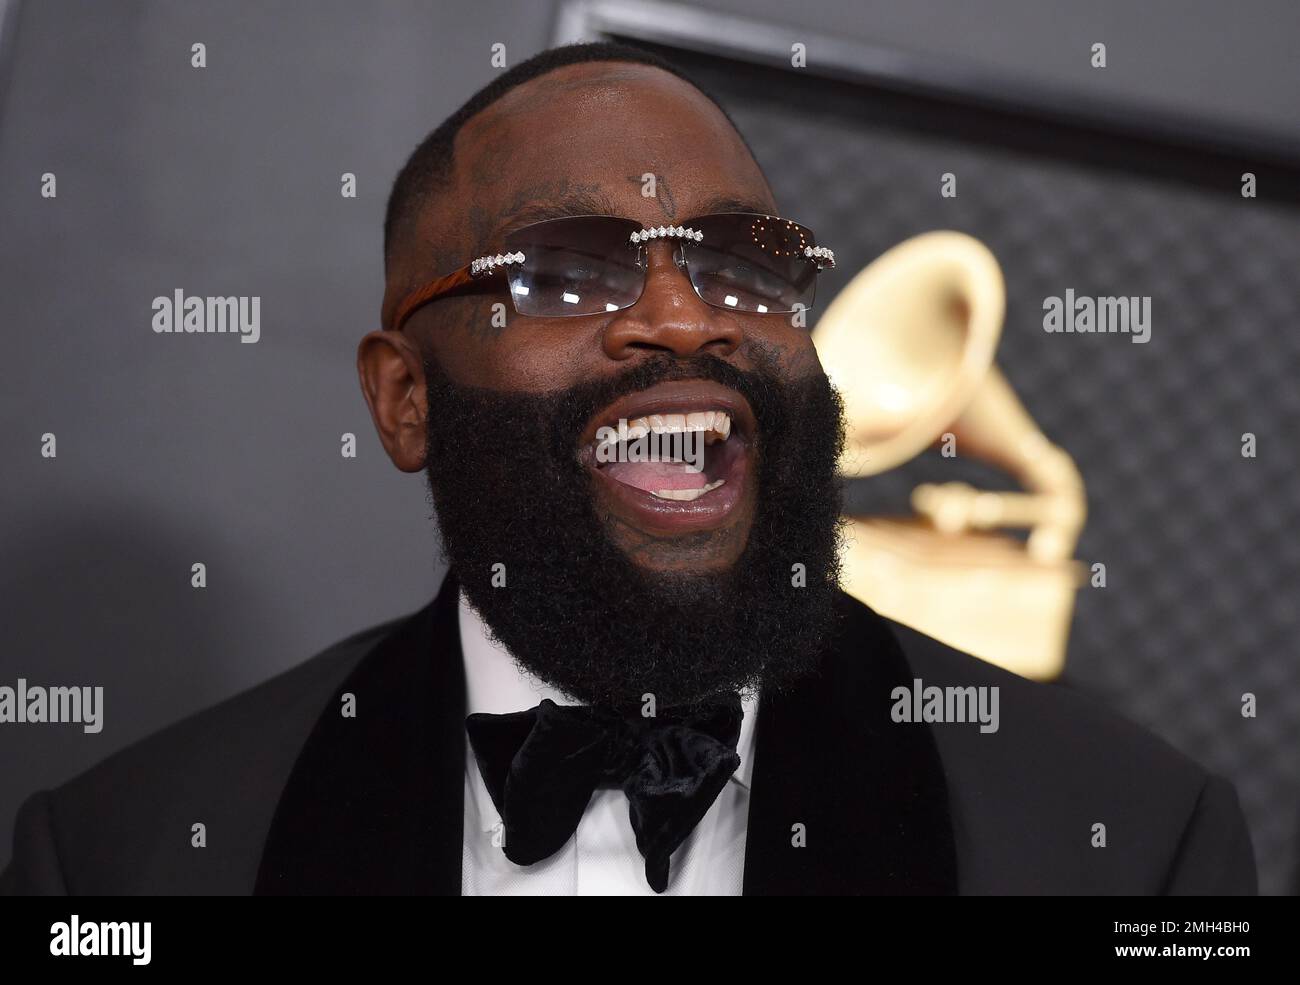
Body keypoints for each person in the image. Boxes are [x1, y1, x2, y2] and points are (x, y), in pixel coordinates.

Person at [1, 42, 1255, 896]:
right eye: (562, 270)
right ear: (402, 397)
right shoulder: (126, 855)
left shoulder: (1132, 838)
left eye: (743, 262)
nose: (682, 314)